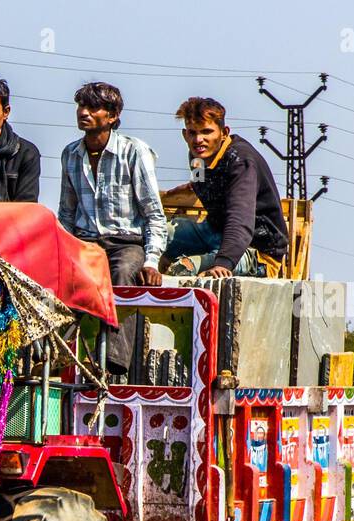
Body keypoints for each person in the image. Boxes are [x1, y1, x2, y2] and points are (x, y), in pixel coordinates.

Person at [58, 81, 167, 373]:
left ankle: (114, 359)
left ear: (112, 116)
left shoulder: (134, 152)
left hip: (125, 243)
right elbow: (66, 215)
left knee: (123, 273)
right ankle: (55, 356)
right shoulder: (70, 154)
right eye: (81, 106)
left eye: (93, 107)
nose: (84, 112)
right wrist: (61, 252)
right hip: (85, 242)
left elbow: (155, 215)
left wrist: (152, 260)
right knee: (62, 280)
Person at [160, 97, 288, 278]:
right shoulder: (197, 157)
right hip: (213, 231)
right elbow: (199, 182)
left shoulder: (240, 162)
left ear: (223, 133)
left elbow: (240, 218)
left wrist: (223, 262)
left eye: (207, 132)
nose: (199, 139)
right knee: (155, 235)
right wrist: (178, 192)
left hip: (254, 250)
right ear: (185, 134)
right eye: (192, 133)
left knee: (183, 269)